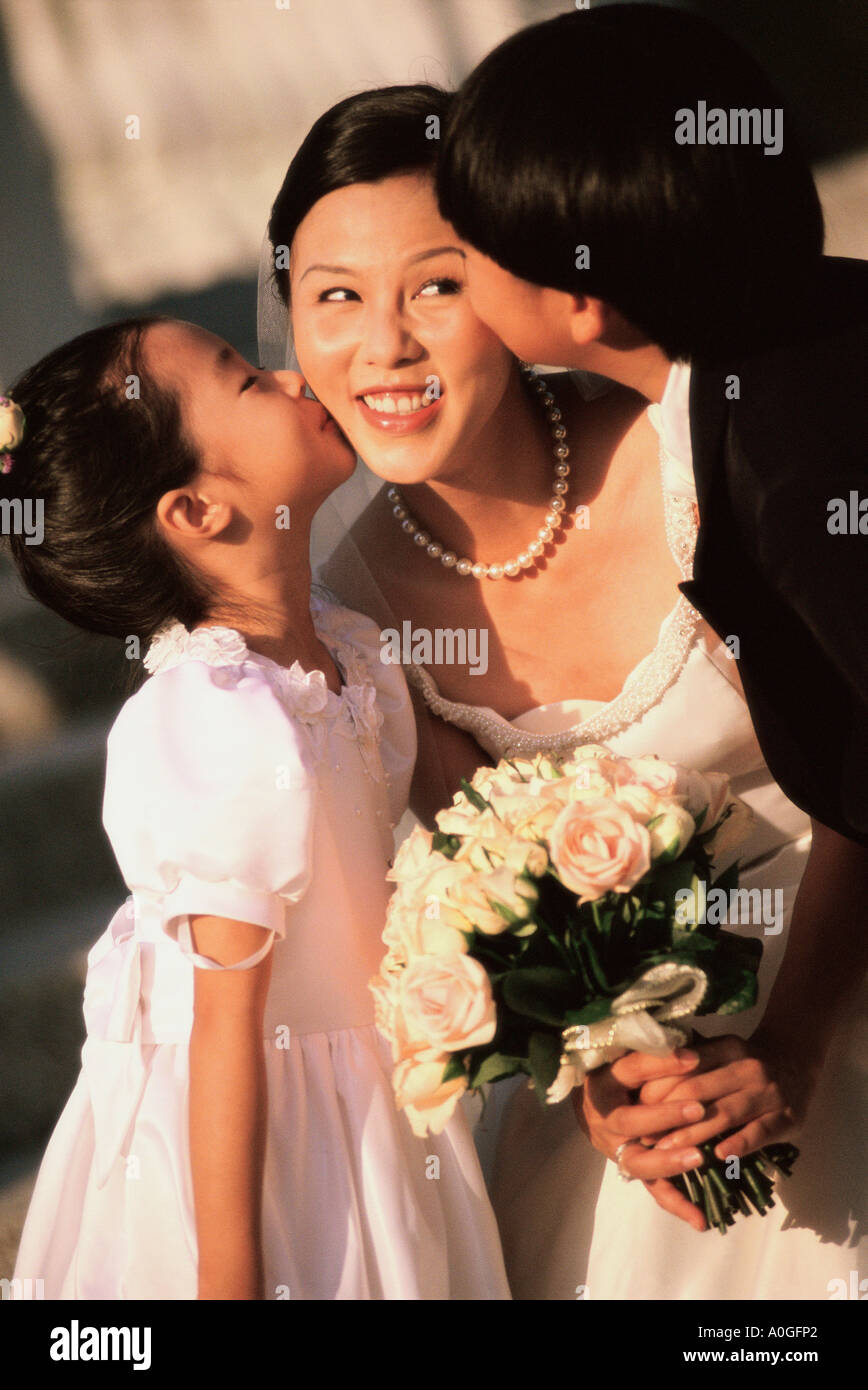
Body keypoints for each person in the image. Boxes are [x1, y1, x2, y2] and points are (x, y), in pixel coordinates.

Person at [259, 57, 867, 1298]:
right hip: (662, 1074)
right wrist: (600, 1071)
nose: (385, 345)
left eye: (438, 284)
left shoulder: (701, 442)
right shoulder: (356, 608)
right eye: (335, 297)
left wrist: (793, 1044)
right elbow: (498, 902)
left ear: (520, 278)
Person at [5, 316, 510, 1299]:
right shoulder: (214, 717)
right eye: (245, 381)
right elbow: (225, 1025)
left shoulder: (349, 650)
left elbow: (482, 821)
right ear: (195, 511)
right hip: (266, 1145)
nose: (290, 374)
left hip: (367, 1102)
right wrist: (227, 1275)